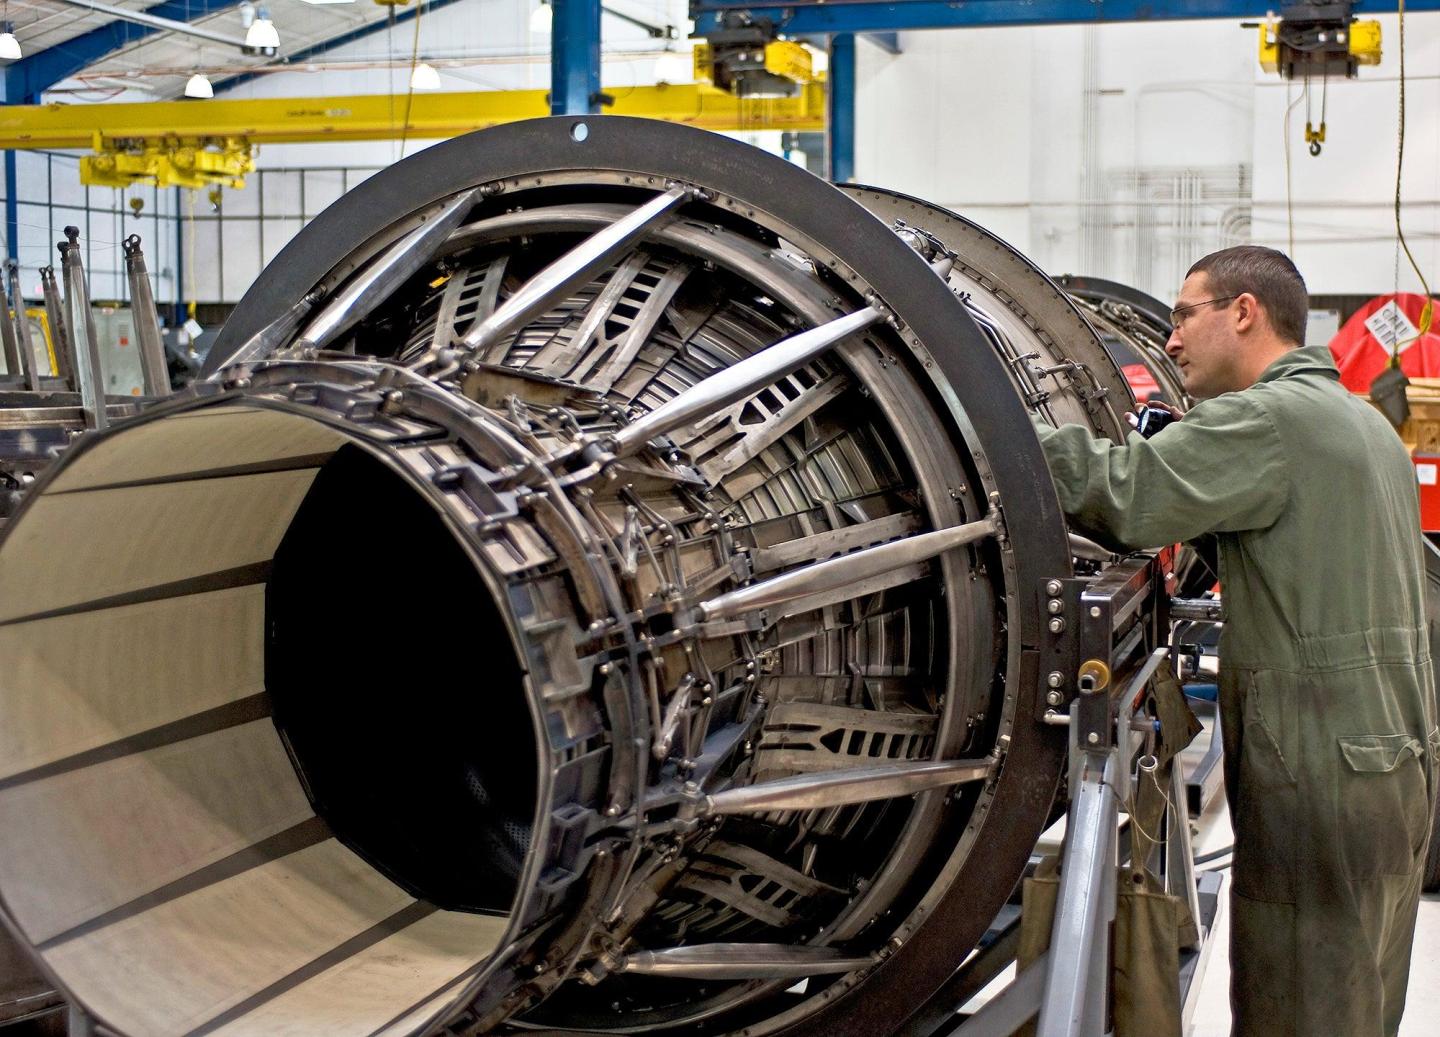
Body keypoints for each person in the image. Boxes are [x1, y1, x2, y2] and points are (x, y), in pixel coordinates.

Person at [1033, 245, 1437, 1037]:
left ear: (1244, 312)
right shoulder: (1366, 424)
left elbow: (1128, 494)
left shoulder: (1265, 420)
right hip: (1393, 768)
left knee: (1296, 1005)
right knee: (1357, 1003)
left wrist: (1004, 433)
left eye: (1185, 315)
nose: (1173, 339)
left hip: (1317, 780)